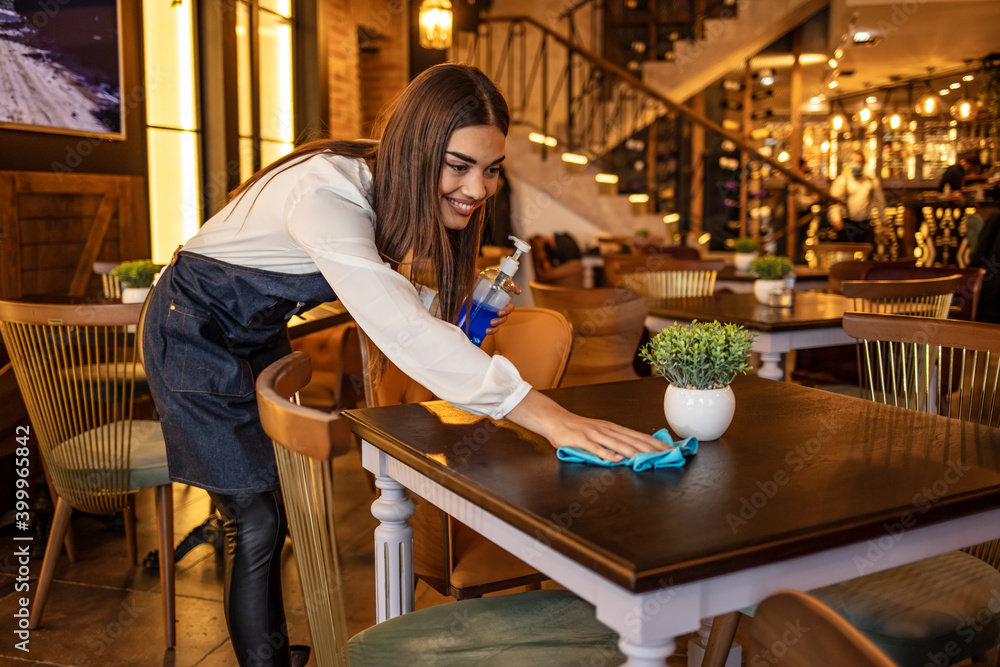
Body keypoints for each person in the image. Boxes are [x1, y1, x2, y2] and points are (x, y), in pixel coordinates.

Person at [141, 63, 666, 667]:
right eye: (459, 165)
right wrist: (553, 419)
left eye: (491, 169)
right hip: (192, 330)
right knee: (255, 520)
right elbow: (402, 329)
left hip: (250, 329)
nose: (478, 189)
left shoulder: (379, 178)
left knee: (267, 510)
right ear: (418, 148)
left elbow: (380, 287)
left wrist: (447, 307)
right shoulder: (326, 197)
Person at [827, 150, 886, 245]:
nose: (855, 164)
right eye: (853, 161)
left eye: (858, 162)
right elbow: (834, 202)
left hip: (865, 224)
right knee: (846, 252)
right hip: (846, 224)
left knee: (866, 251)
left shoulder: (871, 181)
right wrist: (835, 218)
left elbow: (880, 202)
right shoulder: (842, 180)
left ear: (863, 163)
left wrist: (884, 222)